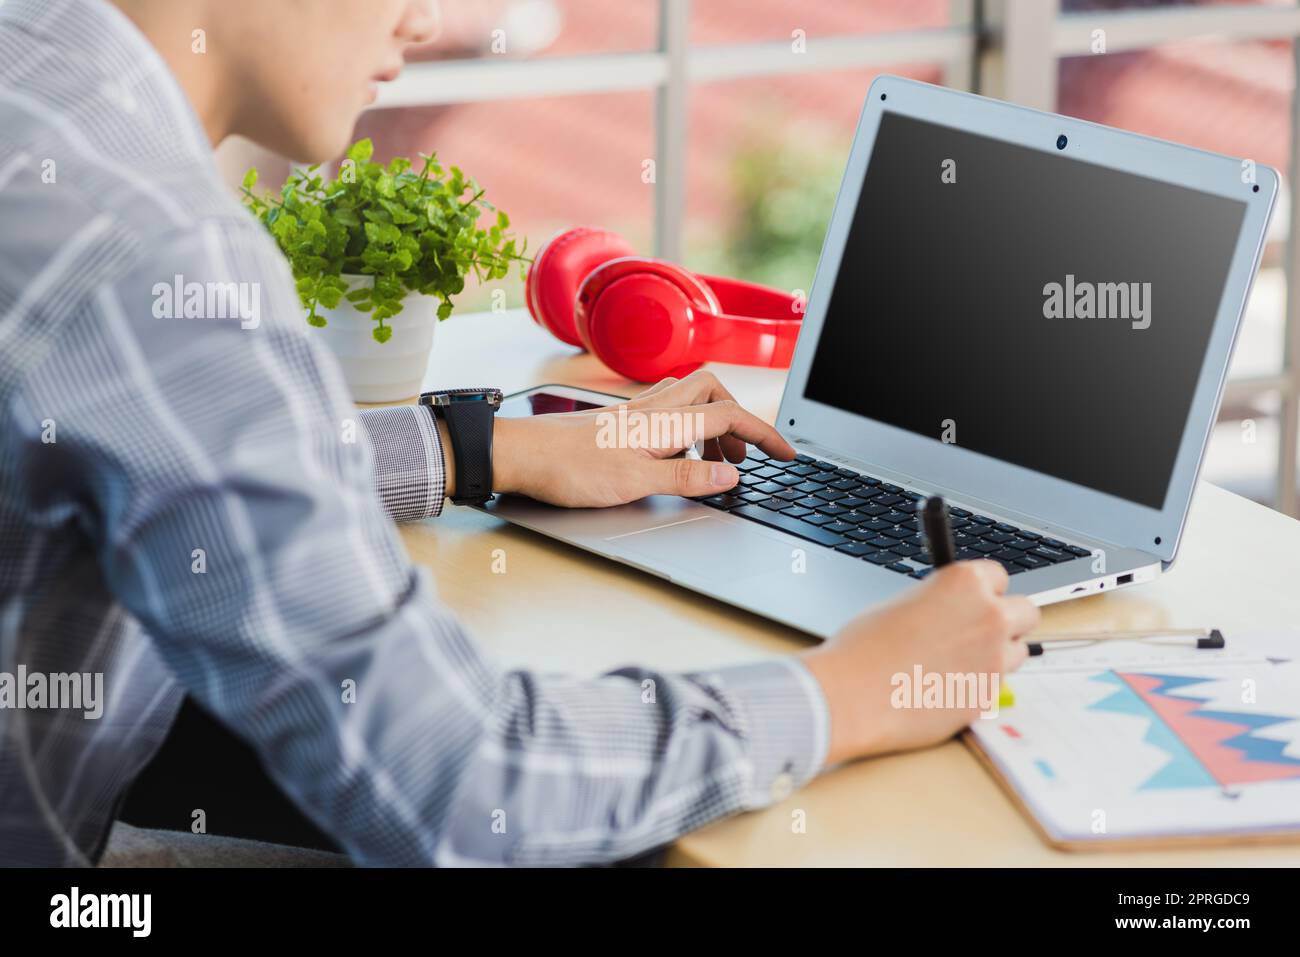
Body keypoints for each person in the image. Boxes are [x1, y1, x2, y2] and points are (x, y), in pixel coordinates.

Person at [0, 0, 1037, 867]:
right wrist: (845, 691)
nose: (422, 19)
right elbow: (457, 780)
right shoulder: (155, 255)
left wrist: (476, 447)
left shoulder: (36, 88)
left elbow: (147, 436)